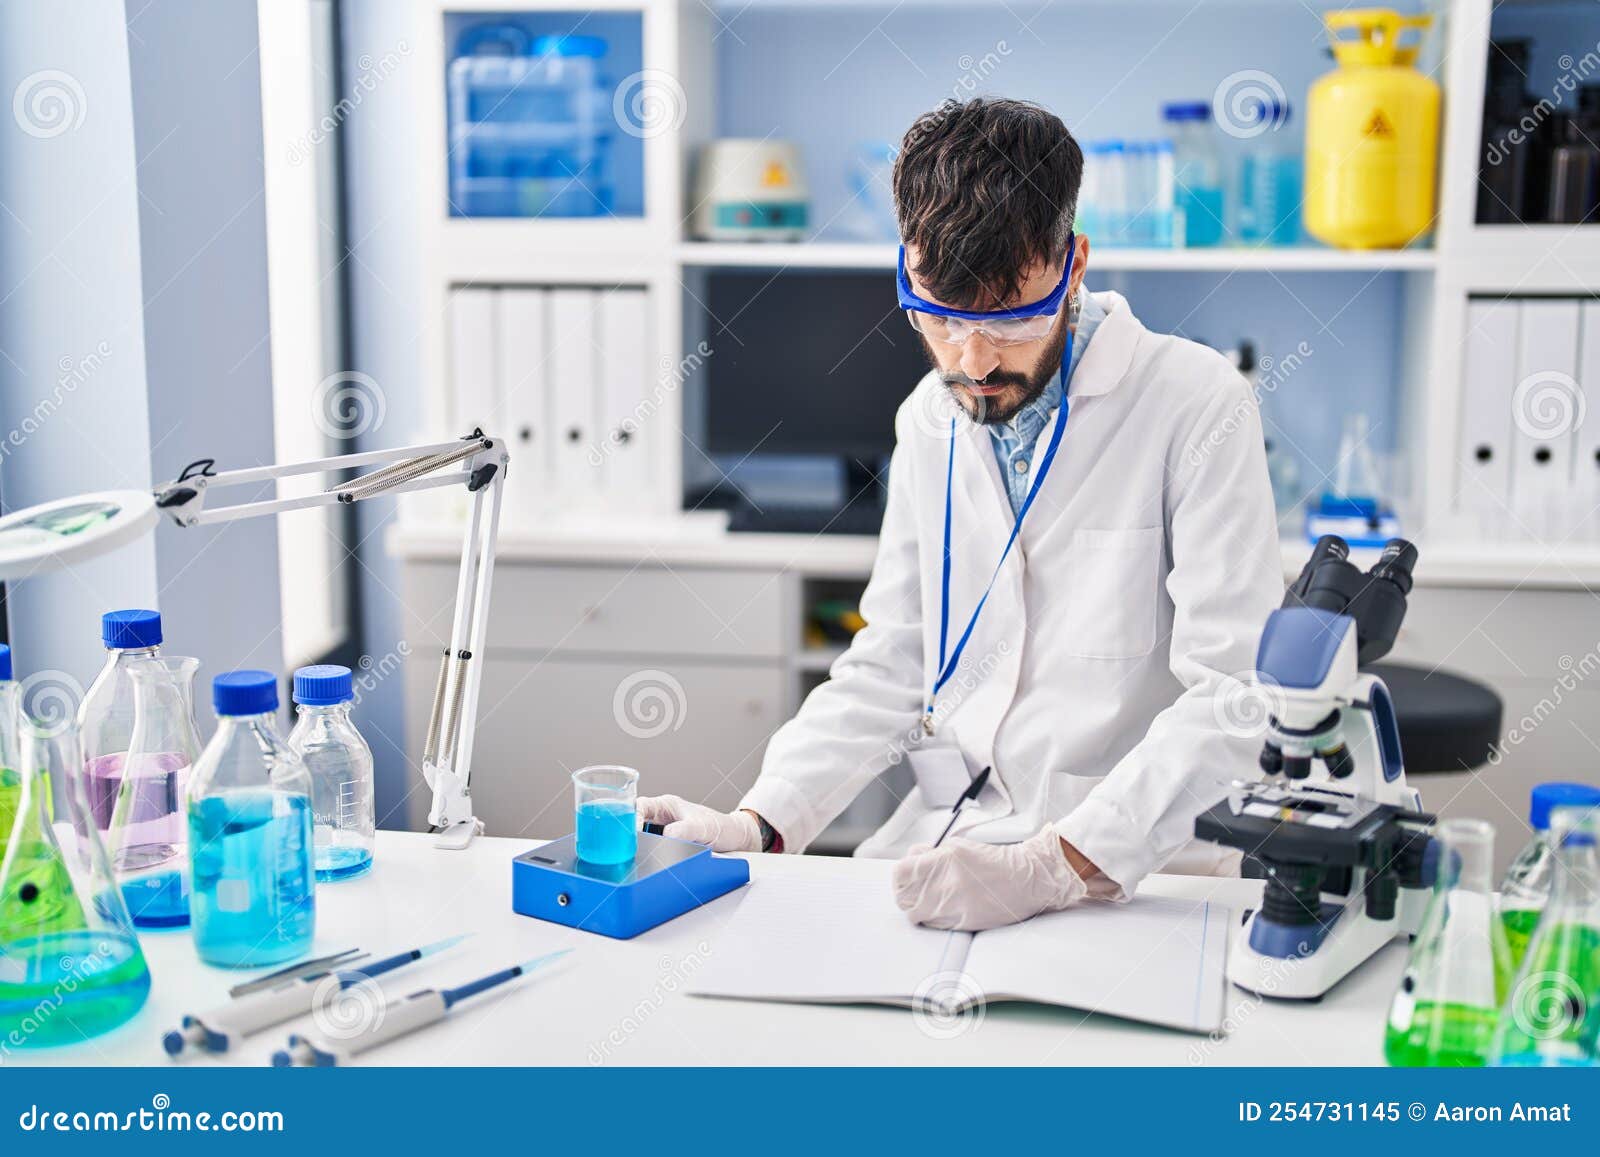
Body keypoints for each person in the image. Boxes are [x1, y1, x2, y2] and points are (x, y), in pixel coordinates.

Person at [640, 98, 1283, 931]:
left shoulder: (1197, 405)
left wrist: (1058, 863)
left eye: (1010, 319)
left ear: (1075, 264)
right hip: (957, 844)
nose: (972, 361)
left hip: (1141, 870)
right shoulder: (927, 416)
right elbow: (894, 659)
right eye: (940, 316)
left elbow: (1237, 694)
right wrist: (761, 821)